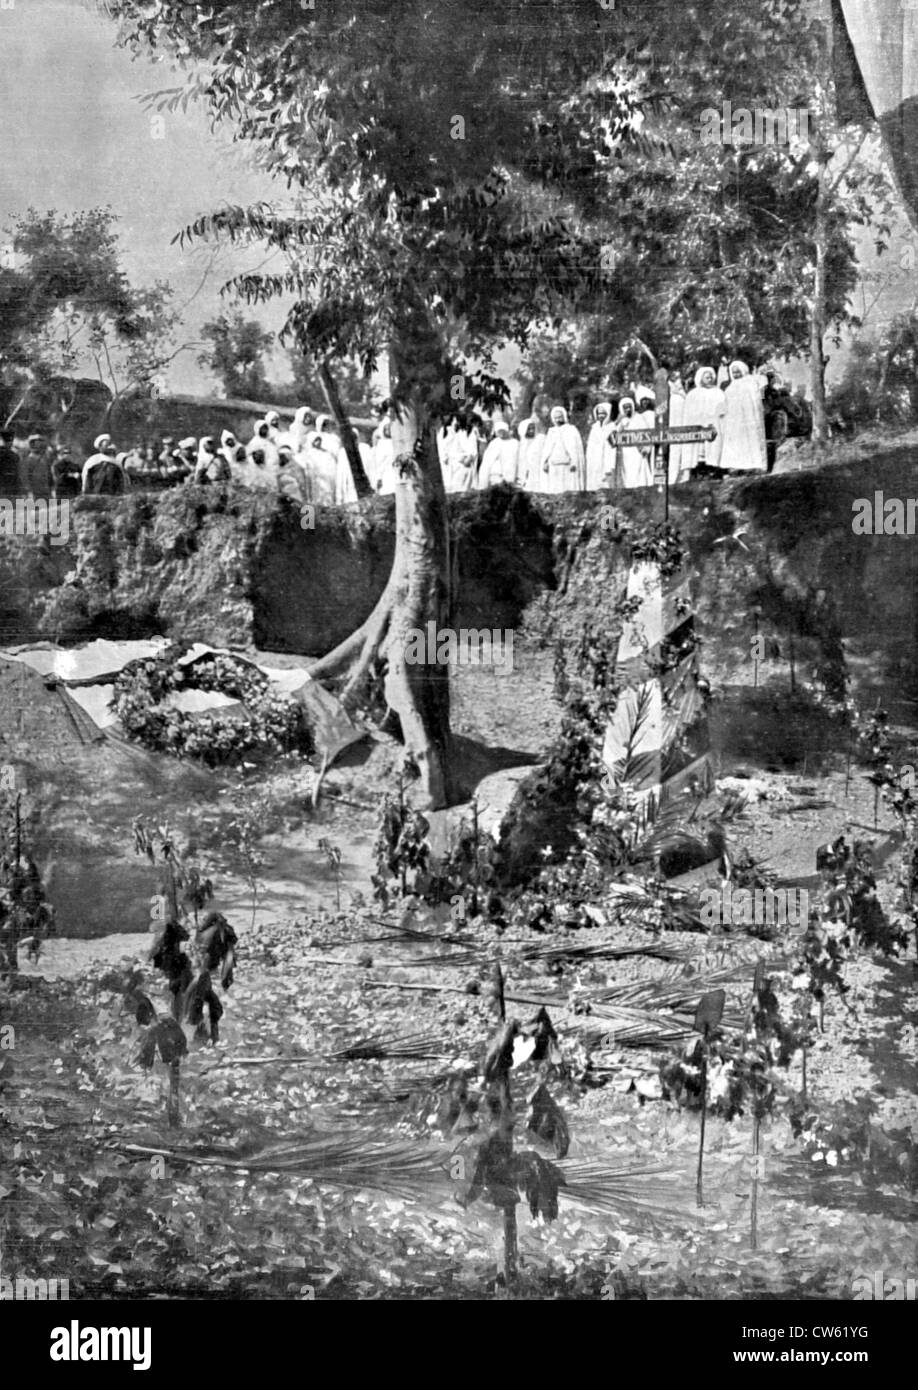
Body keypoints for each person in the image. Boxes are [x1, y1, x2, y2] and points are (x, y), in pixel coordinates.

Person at [719, 359, 767, 473]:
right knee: (737, 442)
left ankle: (754, 465)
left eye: (738, 371)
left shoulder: (750, 382)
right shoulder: (730, 387)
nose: (736, 374)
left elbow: (759, 396)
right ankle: (737, 465)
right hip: (735, 421)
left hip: (749, 419)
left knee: (751, 441)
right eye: (734, 372)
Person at [681, 367, 726, 475]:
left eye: (711, 377)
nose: (709, 379)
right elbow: (689, 413)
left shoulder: (719, 392)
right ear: (701, 379)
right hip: (699, 424)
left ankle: (714, 467)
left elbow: (723, 410)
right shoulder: (693, 394)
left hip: (714, 424)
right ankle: (698, 468)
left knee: (714, 446)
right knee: (699, 448)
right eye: (707, 377)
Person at [541, 405, 585, 493]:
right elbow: (547, 450)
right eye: (556, 418)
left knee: (567, 490)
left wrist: (574, 462)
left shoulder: (571, 430)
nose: (558, 420)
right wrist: (545, 462)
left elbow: (574, 450)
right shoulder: (551, 432)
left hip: (567, 466)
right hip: (553, 466)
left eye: (560, 417)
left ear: (564, 417)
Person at [612, 397, 653, 488]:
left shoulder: (639, 418)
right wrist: (621, 423)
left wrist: (646, 448)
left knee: (639, 474)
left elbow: (646, 434)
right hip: (626, 452)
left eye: (629, 407)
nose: (628, 409)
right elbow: (613, 436)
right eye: (625, 407)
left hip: (638, 451)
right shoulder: (622, 420)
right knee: (627, 475)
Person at [477, 418, 519, 489]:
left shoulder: (515, 443)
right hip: (496, 477)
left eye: (503, 431)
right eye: (499, 431)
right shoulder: (495, 443)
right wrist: (483, 482)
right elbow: (487, 463)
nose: (502, 434)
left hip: (511, 476)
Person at [443, 414, 479, 492]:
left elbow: (472, 452)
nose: (455, 423)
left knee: (462, 491)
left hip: (463, 466)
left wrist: (467, 459)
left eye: (457, 421)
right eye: (453, 421)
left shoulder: (468, 434)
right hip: (454, 466)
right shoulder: (452, 434)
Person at [585, 402, 616, 490]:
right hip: (594, 461)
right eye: (599, 413)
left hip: (606, 460)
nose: (601, 416)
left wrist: (610, 466)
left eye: (603, 413)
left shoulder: (612, 427)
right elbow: (590, 446)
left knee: (605, 483)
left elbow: (612, 448)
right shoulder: (594, 427)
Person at [303, 430, 338, 504]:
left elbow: (332, 468)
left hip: (327, 483)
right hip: (315, 484)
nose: (318, 442)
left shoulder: (326, 453)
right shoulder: (308, 454)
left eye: (319, 440)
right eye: (316, 440)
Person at [667, 373, 688, 484]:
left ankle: (682, 478)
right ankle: (673, 479)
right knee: (675, 453)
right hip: (675, 428)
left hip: (684, 427)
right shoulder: (673, 398)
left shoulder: (682, 396)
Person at [372, 420, 397, 494]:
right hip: (386, 474)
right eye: (386, 429)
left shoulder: (397, 442)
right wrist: (379, 477)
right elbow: (379, 463)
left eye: (390, 428)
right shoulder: (382, 444)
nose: (388, 430)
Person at [0, 428, 21, 497]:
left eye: (11, 440)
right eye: (7, 440)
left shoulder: (15, 456)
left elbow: (17, 474)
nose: (10, 443)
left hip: (12, 490)